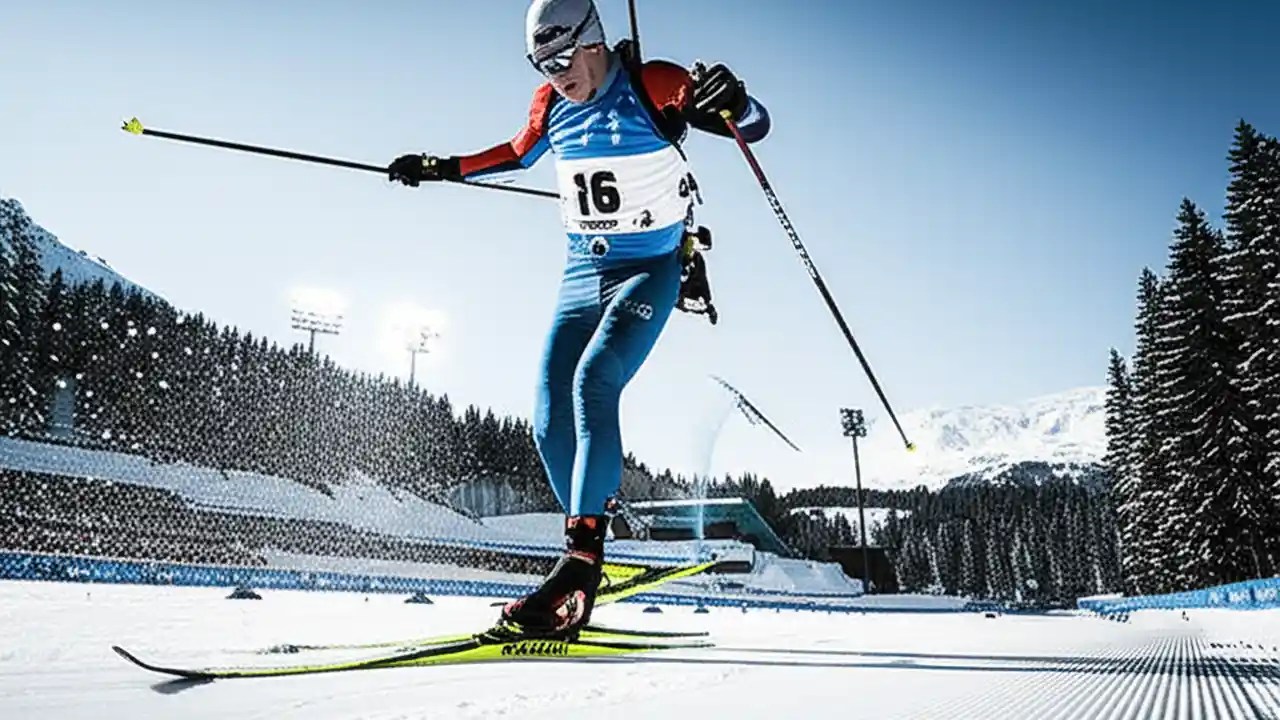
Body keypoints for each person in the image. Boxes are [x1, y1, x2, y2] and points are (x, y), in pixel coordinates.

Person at [387, 0, 770, 638]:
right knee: (546, 417)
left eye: (564, 56)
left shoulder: (653, 82)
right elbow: (517, 153)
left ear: (592, 40)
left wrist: (736, 99)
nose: (556, 71)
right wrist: (440, 167)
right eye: (542, 61)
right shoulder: (550, 102)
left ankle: (579, 573)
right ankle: (587, 551)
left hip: (648, 268)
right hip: (580, 276)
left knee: (596, 381)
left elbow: (752, 128)